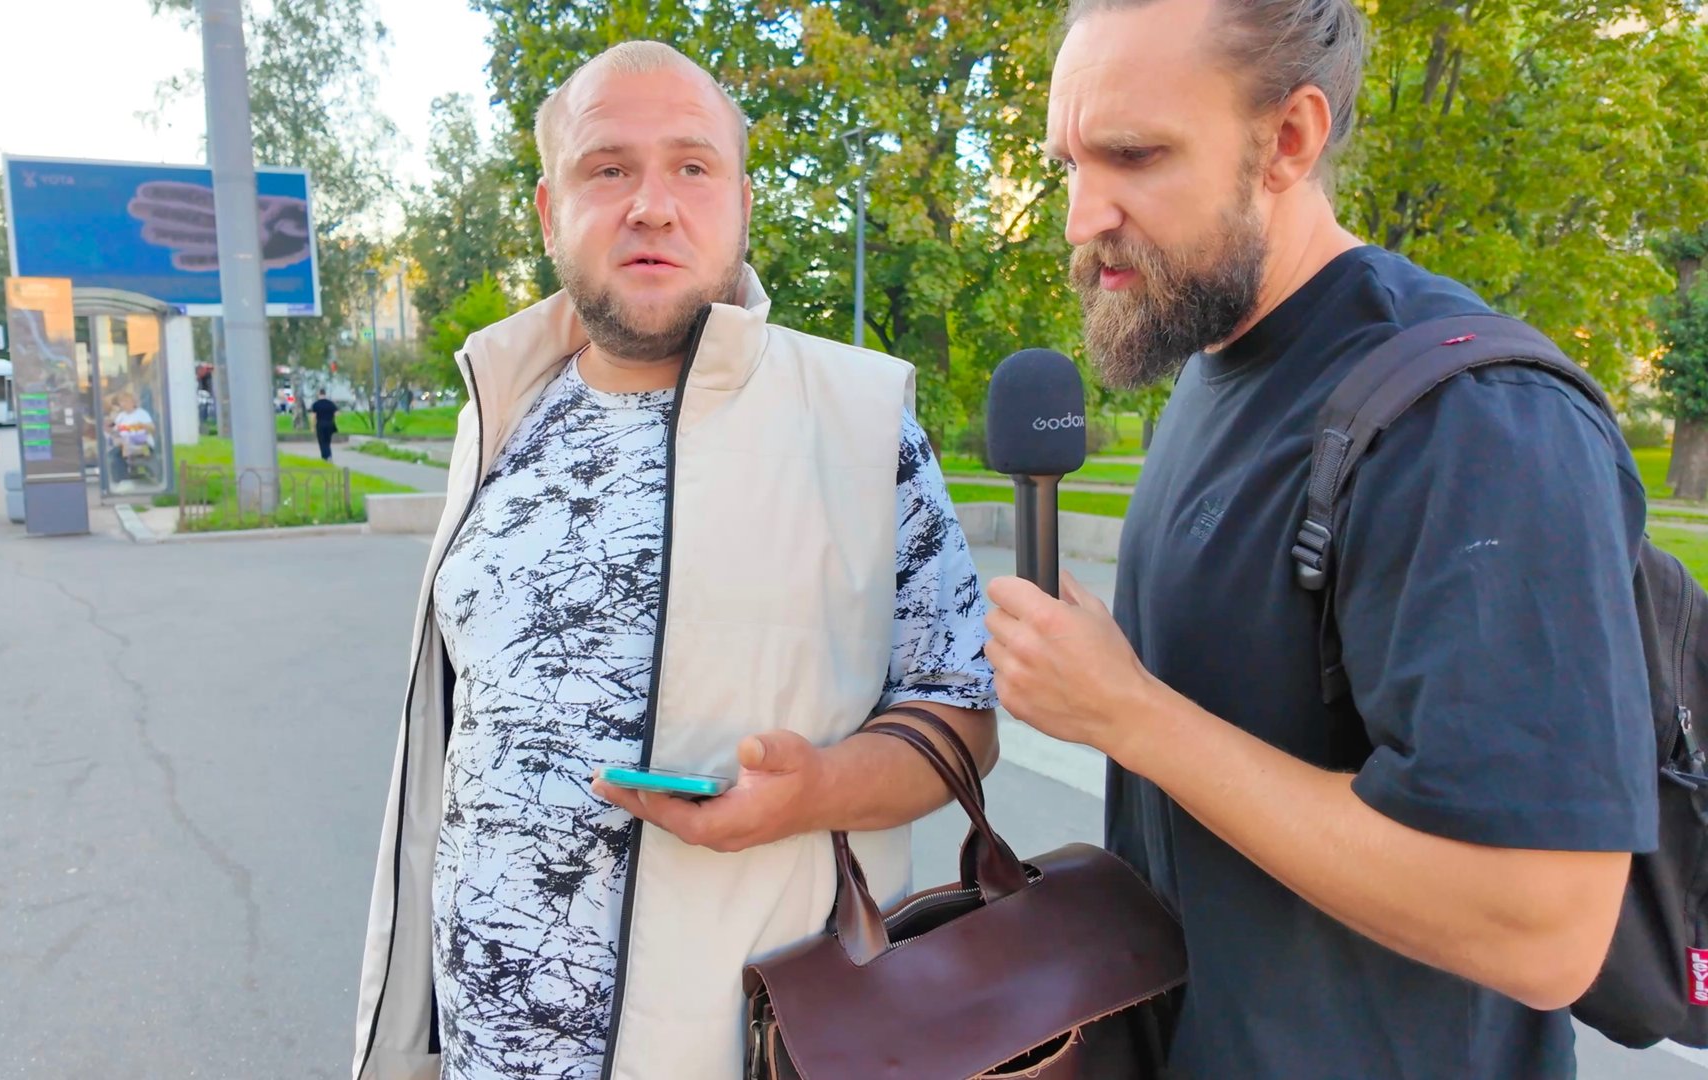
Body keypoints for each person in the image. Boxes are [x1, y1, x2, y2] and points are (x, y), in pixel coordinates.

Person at [982, 1, 1655, 1077]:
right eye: (1069, 163)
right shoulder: (1213, 371)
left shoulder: (1472, 421)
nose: (1079, 216)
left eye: (1134, 155)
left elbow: (1544, 927)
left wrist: (1128, 714)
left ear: (1288, 139)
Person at [354, 41, 999, 1080]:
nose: (651, 205)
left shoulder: (859, 420)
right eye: (608, 168)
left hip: (738, 1050)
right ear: (549, 210)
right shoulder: (501, 411)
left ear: (741, 202)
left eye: (692, 167)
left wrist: (816, 789)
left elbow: (963, 719)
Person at [311, 389, 339, 462]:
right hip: (329, 424)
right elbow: (337, 413)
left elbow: (314, 416)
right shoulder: (330, 403)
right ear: (325, 394)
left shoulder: (316, 404)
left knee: (322, 441)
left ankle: (325, 456)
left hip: (320, 424)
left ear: (319, 394)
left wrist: (313, 426)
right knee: (327, 441)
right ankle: (328, 455)